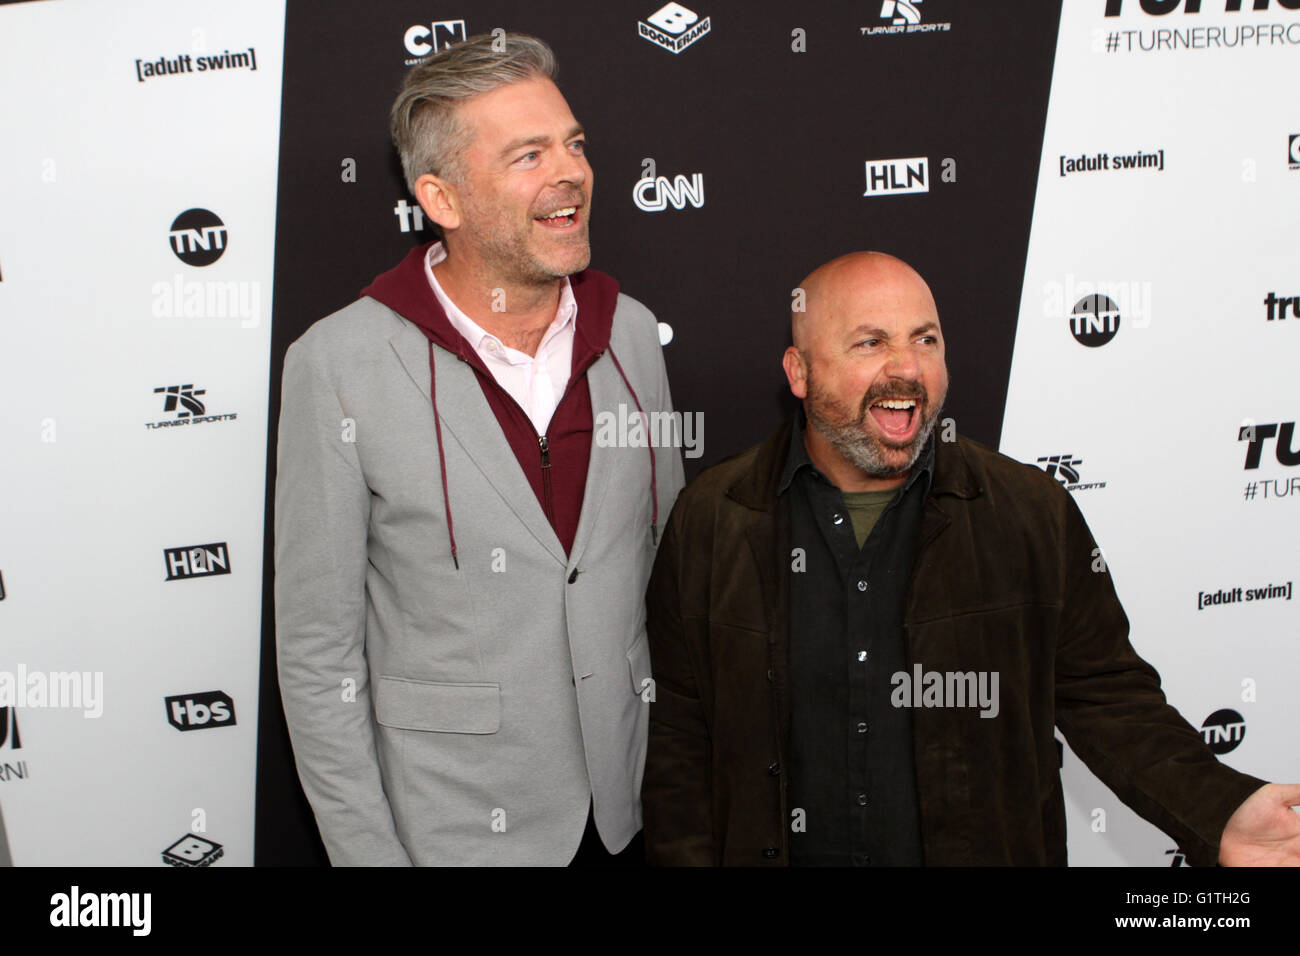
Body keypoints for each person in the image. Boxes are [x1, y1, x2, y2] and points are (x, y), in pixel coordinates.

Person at [641, 251, 1300, 866]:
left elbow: (1109, 698)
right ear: (799, 371)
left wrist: (1220, 812)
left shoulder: (1026, 512)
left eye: (924, 340)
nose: (906, 368)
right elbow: (681, 745)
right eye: (870, 343)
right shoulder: (715, 520)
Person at [275, 34, 683, 866]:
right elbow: (318, 655)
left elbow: (664, 572)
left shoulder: (633, 333)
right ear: (442, 198)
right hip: (456, 833)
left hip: (629, 817)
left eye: (574, 145)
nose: (570, 172)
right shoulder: (338, 364)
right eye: (528, 155)